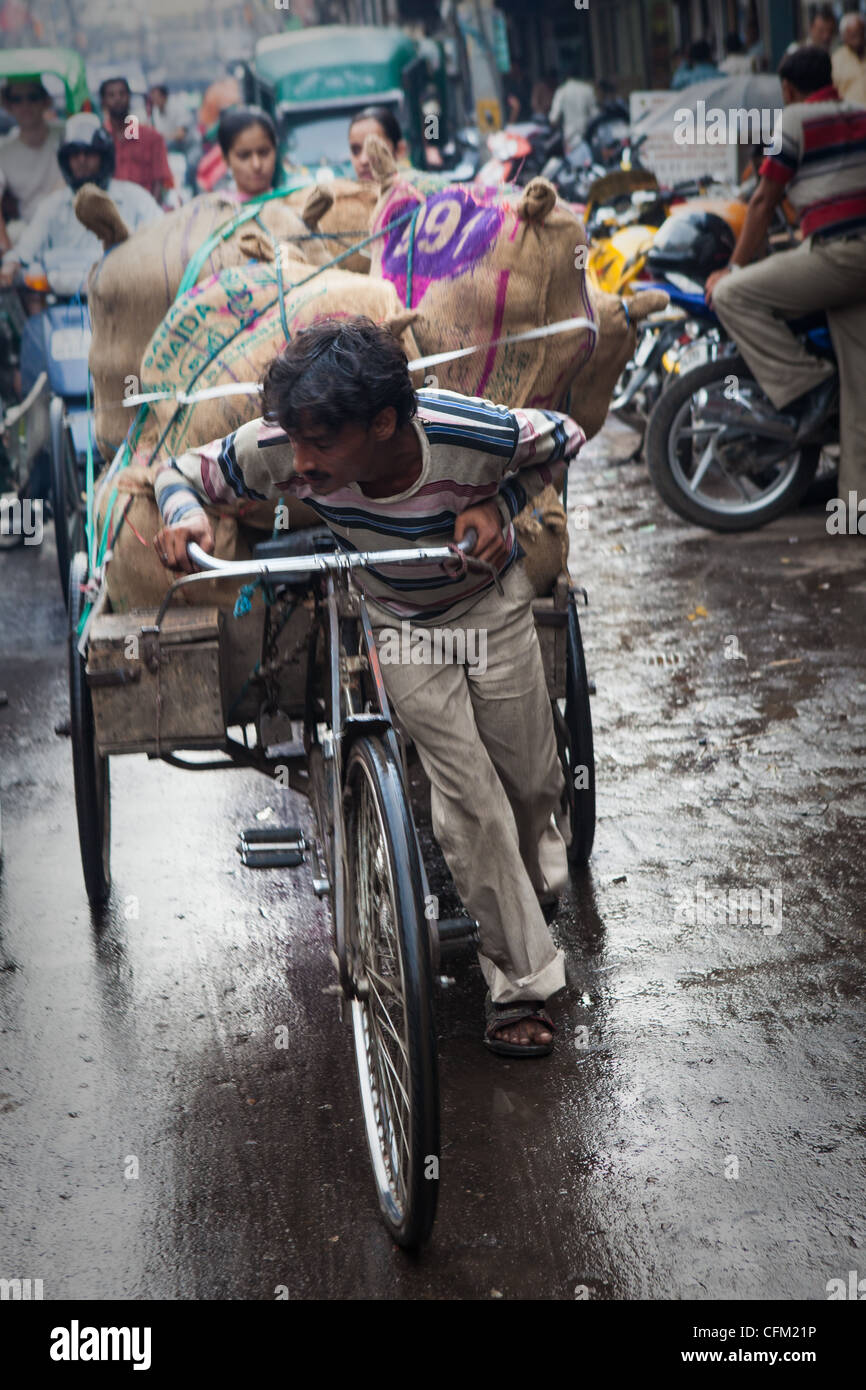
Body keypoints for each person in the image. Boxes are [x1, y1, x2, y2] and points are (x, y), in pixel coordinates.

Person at [152, 317, 587, 1055]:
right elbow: (180, 471)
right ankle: (521, 981)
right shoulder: (282, 450)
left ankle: (531, 883)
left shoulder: (469, 432)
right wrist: (184, 513)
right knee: (466, 801)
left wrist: (501, 505)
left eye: (323, 443)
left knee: (532, 782)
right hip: (399, 622)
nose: (304, 463)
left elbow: (566, 435)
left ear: (385, 422)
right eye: (295, 440)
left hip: (491, 606)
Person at [706, 45, 866, 507]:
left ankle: (808, 383)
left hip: (839, 256)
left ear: (789, 89)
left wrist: (732, 267)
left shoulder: (793, 121)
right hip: (855, 266)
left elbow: (762, 200)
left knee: (734, 294)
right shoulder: (859, 111)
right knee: (859, 392)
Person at [0, 112, 161, 289]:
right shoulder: (53, 205)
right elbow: (23, 251)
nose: (81, 161)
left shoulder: (135, 198)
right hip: (61, 304)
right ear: (65, 160)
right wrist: (10, 266)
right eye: (74, 154)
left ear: (104, 157)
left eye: (89, 153)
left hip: (123, 302)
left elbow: (163, 237)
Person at [0, 80, 64, 252]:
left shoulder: (65, 135)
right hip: (29, 236)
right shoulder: (4, 150)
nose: (25, 105)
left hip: (72, 229)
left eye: (32, 98)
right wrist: (6, 247)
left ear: (46, 101)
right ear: (8, 105)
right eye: (17, 99)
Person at [100, 76, 173, 202]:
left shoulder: (152, 138)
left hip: (144, 212)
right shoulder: (98, 139)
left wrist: (151, 214)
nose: (117, 99)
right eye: (111, 95)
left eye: (122, 94)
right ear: (104, 101)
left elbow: (160, 182)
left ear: (129, 97)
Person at [217, 106, 278, 200]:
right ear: (226, 158)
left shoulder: (296, 206)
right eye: (244, 156)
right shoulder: (216, 212)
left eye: (264, 153)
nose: (256, 165)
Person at [348, 106, 407, 181]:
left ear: (399, 150)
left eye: (375, 148)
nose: (363, 160)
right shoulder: (342, 191)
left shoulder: (418, 189)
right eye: (355, 151)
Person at [549, 72, 598, 154]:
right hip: (587, 136)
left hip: (570, 138)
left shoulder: (562, 91)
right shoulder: (587, 89)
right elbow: (595, 115)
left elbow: (553, 119)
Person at [833, 12, 866, 105]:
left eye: (860, 32)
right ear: (844, 35)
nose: (857, 39)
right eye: (853, 34)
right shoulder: (836, 60)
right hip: (850, 115)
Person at [146, 83, 191, 148]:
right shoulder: (155, 111)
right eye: (152, 98)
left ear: (164, 96)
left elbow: (181, 134)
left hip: (189, 147)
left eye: (156, 98)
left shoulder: (178, 106)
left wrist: (160, 137)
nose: (154, 101)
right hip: (172, 148)